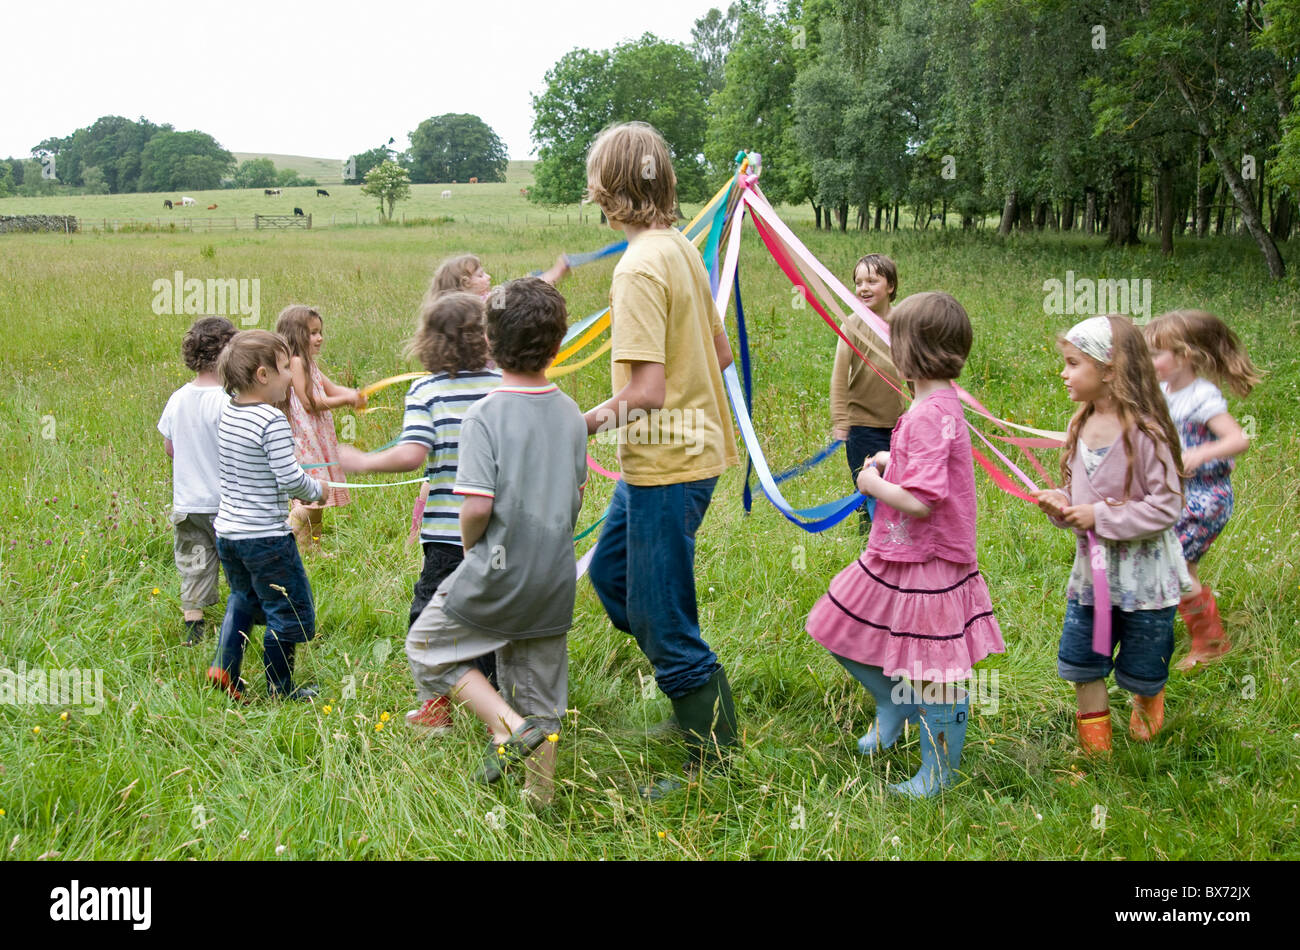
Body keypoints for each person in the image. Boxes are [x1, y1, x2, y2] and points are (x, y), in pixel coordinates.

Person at [581, 121, 741, 791]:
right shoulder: (679, 245)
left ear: (605, 187)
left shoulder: (641, 264)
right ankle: (692, 695)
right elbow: (720, 349)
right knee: (613, 577)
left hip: (669, 464)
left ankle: (714, 760)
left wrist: (576, 422)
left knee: (658, 615)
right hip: (674, 458)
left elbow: (645, 390)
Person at [805, 292, 1004, 797]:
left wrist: (871, 484)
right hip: (896, 551)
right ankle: (894, 702)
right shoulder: (930, 404)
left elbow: (921, 501)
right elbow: (924, 471)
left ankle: (938, 775)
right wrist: (891, 462)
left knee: (933, 669)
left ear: (911, 349)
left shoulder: (928, 411)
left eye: (894, 335)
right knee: (835, 621)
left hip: (929, 558)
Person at [404, 278, 587, 804]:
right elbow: (576, 494)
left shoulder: (485, 413)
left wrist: (472, 546)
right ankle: (542, 799)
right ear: (558, 344)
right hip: (554, 574)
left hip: (497, 568)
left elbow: (477, 505)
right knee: (541, 693)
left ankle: (506, 725)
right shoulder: (572, 413)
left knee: (428, 646)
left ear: (490, 340)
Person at [339, 291, 502, 728]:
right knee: (489, 615)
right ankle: (498, 699)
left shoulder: (427, 390)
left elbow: (412, 454)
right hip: (500, 532)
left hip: (449, 535)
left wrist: (362, 461)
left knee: (428, 620)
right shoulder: (503, 383)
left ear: (429, 341)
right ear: (484, 338)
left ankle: (438, 708)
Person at [1033, 315, 1190, 754]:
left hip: (1143, 583)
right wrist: (1062, 506)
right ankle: (1096, 755)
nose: (1063, 373)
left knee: (1143, 667)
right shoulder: (1079, 425)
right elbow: (1080, 497)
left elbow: (1166, 506)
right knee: (1084, 664)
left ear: (1109, 369)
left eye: (1072, 363)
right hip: (1091, 581)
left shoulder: (1146, 433)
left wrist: (1098, 516)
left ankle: (1148, 699)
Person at [208, 330, 328, 703]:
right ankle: (281, 688)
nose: (291, 376)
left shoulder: (229, 410)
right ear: (263, 376)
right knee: (289, 608)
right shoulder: (271, 421)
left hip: (228, 534)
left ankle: (224, 668)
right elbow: (290, 478)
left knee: (243, 598)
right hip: (266, 538)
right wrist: (317, 491)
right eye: (283, 369)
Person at [1144, 310, 1259, 670]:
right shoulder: (1163, 391)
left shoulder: (1201, 395)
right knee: (1168, 562)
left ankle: (1210, 644)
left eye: (1155, 354)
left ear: (1184, 356)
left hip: (1205, 499)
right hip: (1177, 495)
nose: (1149, 361)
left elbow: (1238, 438)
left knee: (1177, 565)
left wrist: (1203, 452)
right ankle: (1182, 632)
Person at [157, 316, 237, 645]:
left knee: (194, 562)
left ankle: (194, 625)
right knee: (236, 563)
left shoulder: (178, 398)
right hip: (226, 504)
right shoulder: (230, 401)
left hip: (188, 504)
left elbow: (170, 447)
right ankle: (242, 615)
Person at [830, 254, 907, 534]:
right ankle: (870, 543)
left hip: (899, 425)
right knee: (868, 490)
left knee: (900, 487)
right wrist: (841, 420)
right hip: (861, 426)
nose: (863, 287)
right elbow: (839, 376)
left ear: (891, 286)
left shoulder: (904, 323)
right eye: (858, 282)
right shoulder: (851, 324)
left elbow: (914, 371)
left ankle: (898, 540)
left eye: (872, 281)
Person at [275, 305, 363, 550]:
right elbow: (309, 403)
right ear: (295, 335)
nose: (319, 337)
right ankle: (284, 539)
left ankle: (311, 549)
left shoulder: (309, 363)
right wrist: (346, 400)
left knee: (317, 499)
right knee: (307, 500)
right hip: (305, 441)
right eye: (312, 333)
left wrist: (355, 394)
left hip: (318, 439)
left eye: (319, 332)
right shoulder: (295, 362)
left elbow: (332, 389)